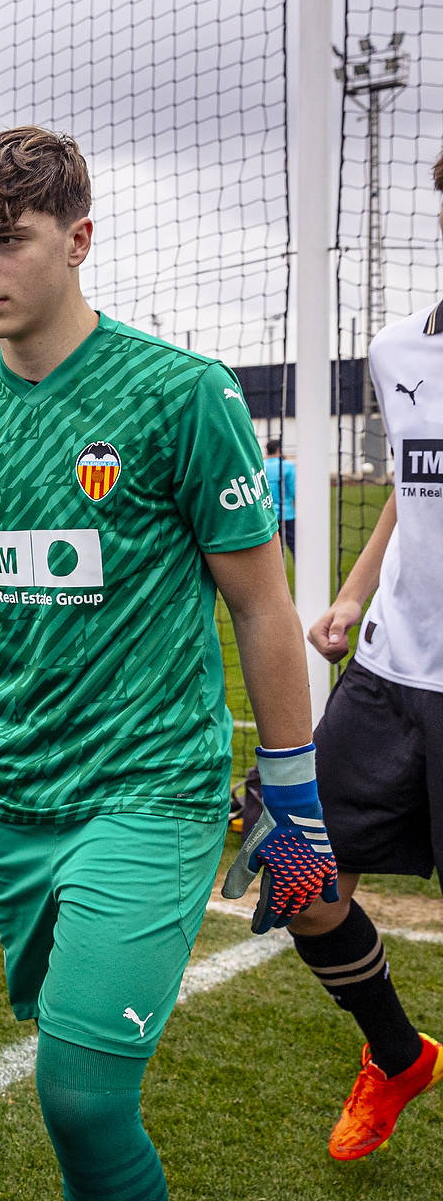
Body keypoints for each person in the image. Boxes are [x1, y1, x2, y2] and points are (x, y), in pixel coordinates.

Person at [0, 128, 336, 1201]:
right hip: (17, 793)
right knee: (77, 1092)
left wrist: (293, 783)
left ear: (79, 238)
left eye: (7, 239)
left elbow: (262, 601)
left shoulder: (181, 394)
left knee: (83, 1093)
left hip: (153, 788)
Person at [286, 148, 443, 1162]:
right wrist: (349, 592)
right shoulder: (399, 351)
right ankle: (396, 1052)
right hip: (389, 673)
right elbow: (410, 485)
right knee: (296, 866)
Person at [263, 437, 297, 555]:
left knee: (275, 553)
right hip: (287, 514)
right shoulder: (287, 466)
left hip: (268, 515)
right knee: (295, 548)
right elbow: (293, 490)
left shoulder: (261, 465)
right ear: (279, 449)